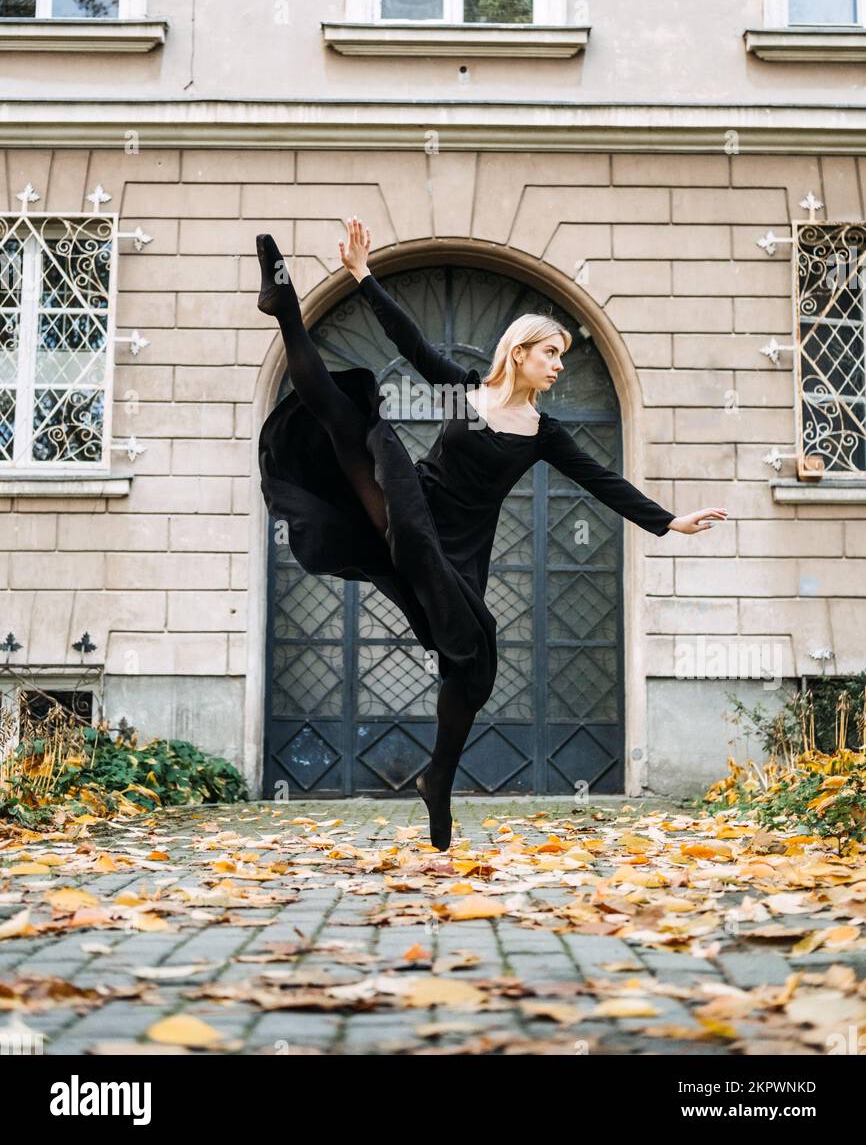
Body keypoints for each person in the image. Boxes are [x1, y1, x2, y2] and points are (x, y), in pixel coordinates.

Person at [256, 221, 728, 850]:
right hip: (409, 505)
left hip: (461, 551)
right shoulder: (464, 395)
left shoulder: (544, 433)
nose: (559, 365)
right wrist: (363, 275)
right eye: (551, 353)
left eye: (563, 355)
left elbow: (602, 481)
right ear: (519, 353)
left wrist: (668, 522)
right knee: (347, 422)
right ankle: (285, 308)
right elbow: (411, 340)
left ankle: (437, 781)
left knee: (473, 668)